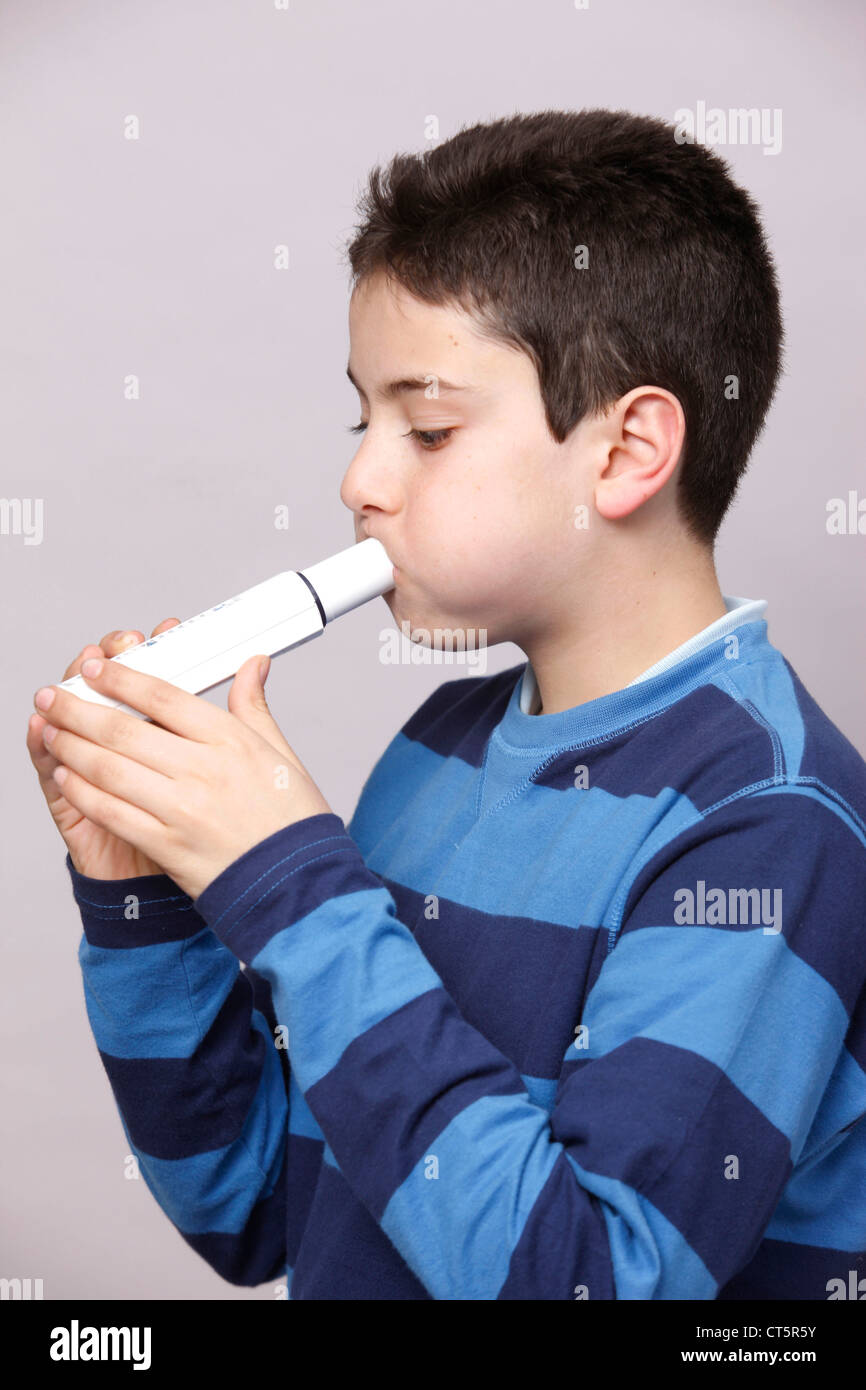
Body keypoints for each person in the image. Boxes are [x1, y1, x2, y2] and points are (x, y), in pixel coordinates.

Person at [28, 108, 866, 1300]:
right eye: (361, 420)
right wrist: (142, 898)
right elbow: (257, 1205)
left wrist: (295, 891)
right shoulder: (438, 752)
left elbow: (589, 1280)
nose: (359, 479)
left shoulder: (768, 822)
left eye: (424, 428)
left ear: (626, 453)